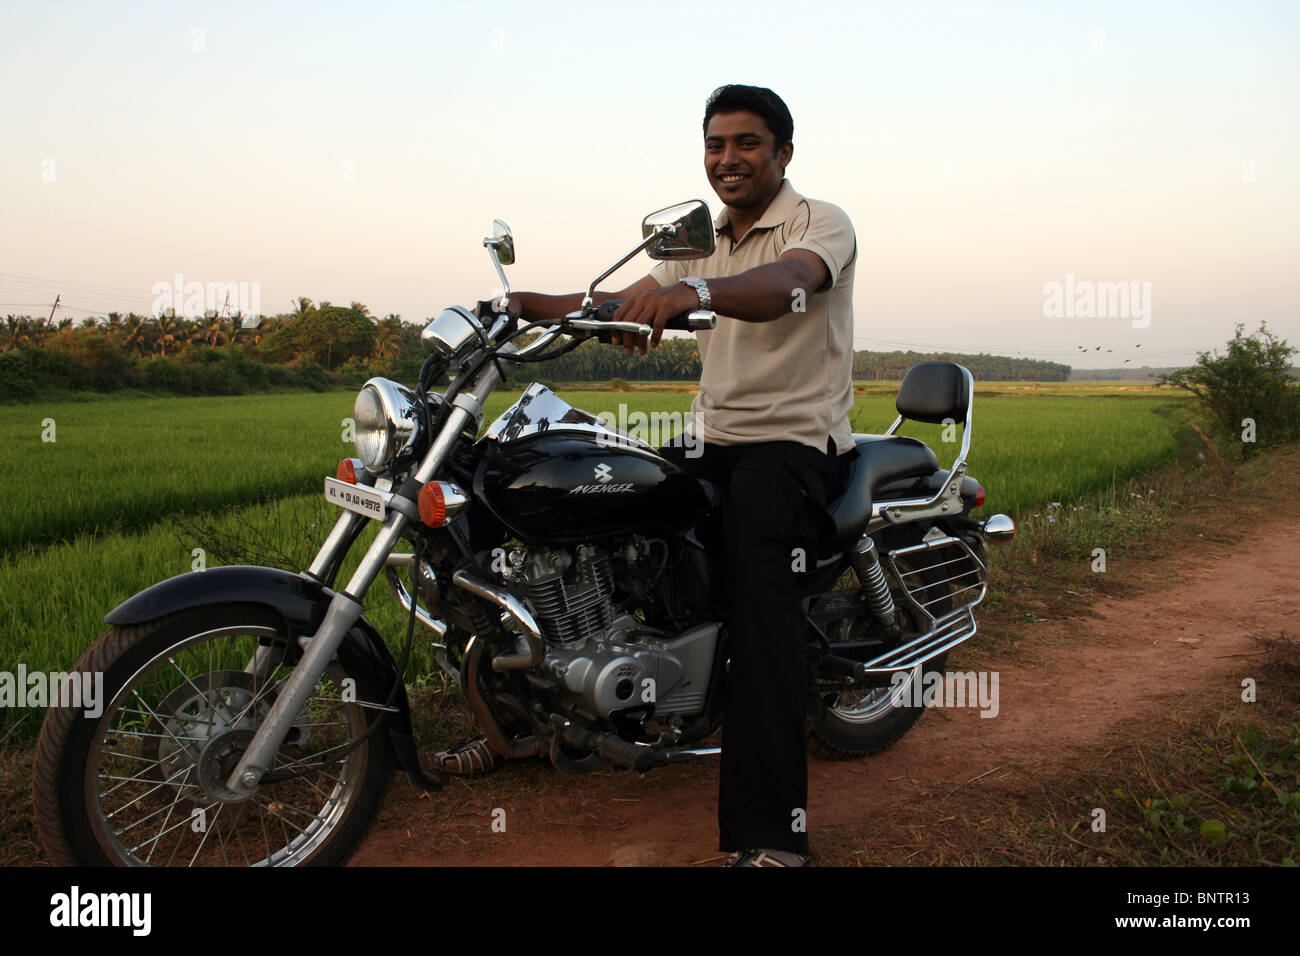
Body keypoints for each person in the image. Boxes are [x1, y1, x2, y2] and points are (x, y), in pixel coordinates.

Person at [442, 84, 858, 867]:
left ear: (783, 154)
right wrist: (530, 306)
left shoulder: (818, 224)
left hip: (791, 444)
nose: (726, 160)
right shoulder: (700, 237)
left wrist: (691, 291)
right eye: (714, 145)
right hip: (711, 435)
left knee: (756, 595)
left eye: (745, 144)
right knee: (575, 495)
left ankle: (773, 836)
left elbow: (784, 287)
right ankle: (533, 714)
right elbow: (624, 298)